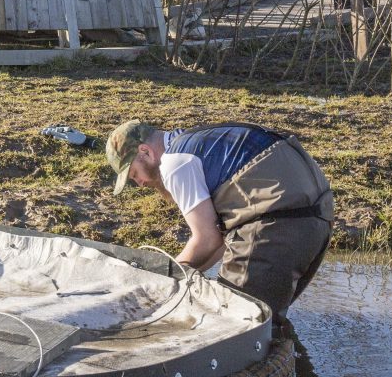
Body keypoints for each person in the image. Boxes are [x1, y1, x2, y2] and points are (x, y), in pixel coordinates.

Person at [105, 121, 334, 320]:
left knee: (237, 320)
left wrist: (160, 283)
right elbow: (219, 239)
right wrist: (184, 281)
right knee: (267, 318)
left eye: (134, 174)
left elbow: (206, 240)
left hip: (277, 221)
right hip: (315, 218)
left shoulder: (174, 163)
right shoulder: (199, 143)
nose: (140, 184)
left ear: (146, 151)